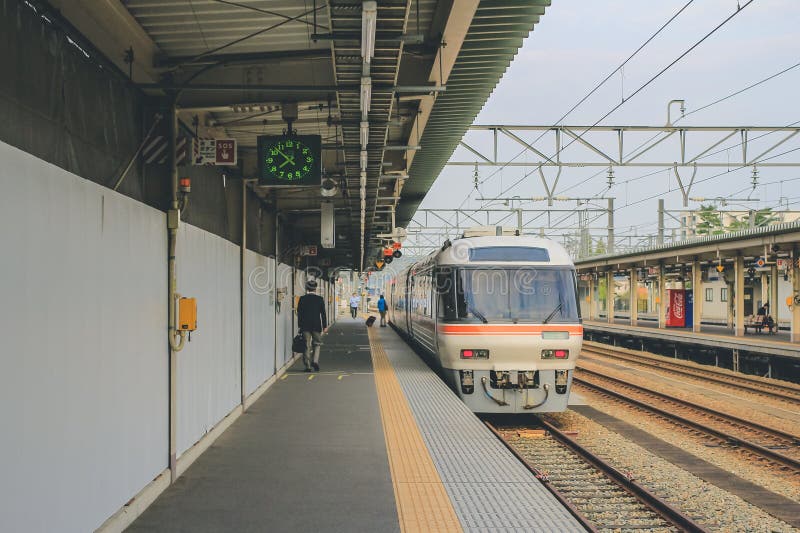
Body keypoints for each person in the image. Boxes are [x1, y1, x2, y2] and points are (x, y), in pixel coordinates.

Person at [297, 280, 328, 372]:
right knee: (317, 344)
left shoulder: (302, 299)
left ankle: (308, 366)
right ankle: (315, 361)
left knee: (306, 345)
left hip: (305, 326)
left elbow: (300, 313)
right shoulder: (319, 299)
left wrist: (300, 325)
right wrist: (325, 326)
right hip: (316, 325)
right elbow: (323, 313)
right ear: (315, 288)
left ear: (307, 288)